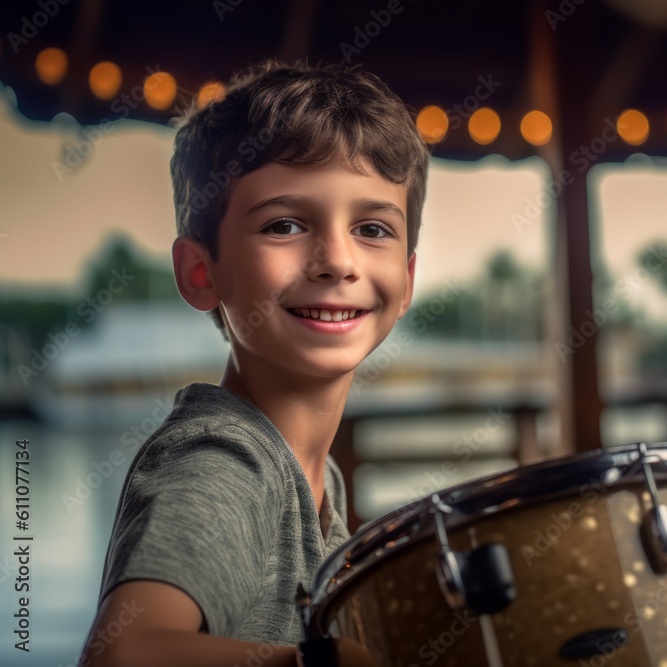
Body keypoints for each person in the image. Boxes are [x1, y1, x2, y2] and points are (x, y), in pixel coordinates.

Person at [81, 60, 430, 667]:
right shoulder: (226, 458)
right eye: (285, 224)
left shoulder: (315, 482)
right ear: (201, 272)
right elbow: (123, 654)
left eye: (373, 228)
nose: (336, 261)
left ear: (405, 282)